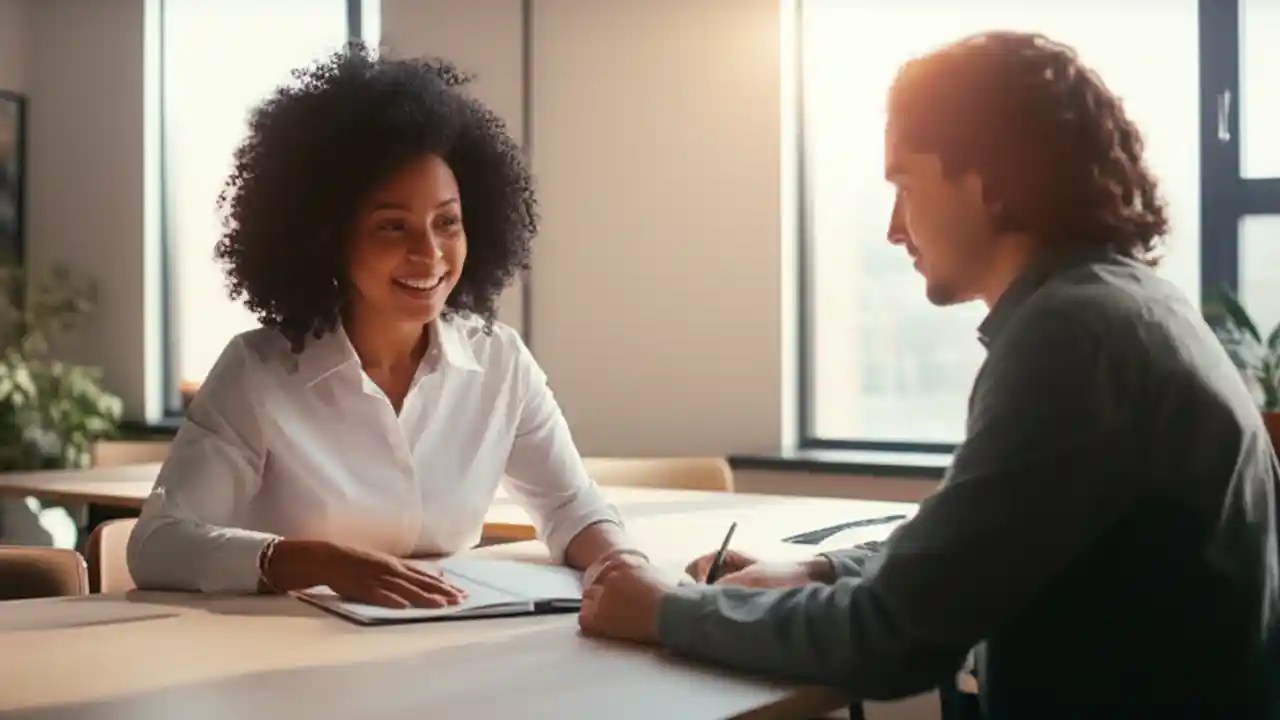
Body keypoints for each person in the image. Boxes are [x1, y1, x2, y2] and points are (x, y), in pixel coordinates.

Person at [578, 31, 1280, 717]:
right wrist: (821, 568)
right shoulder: (1128, 306)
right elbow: (978, 549)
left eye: (904, 185)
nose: (891, 227)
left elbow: (895, 638)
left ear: (989, 180)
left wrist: (668, 609)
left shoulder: (1074, 337)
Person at [128, 45, 642, 608]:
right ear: (329, 236)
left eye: (447, 222)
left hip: (445, 648)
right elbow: (158, 543)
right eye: (393, 227)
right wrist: (314, 559)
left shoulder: (500, 362)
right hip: (285, 662)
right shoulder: (258, 373)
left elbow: (571, 507)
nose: (430, 253)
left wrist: (625, 565)